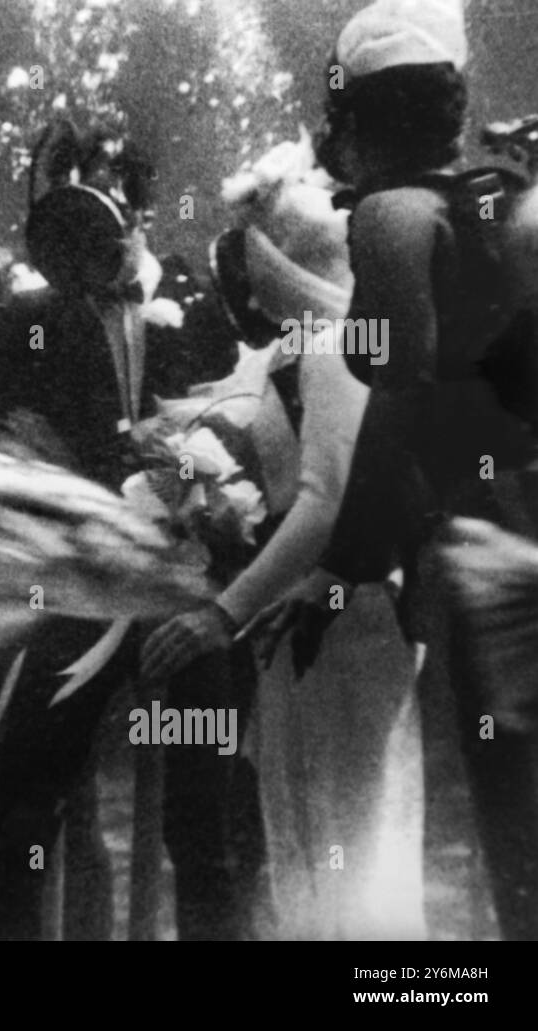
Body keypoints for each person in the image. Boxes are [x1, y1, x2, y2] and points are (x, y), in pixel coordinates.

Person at [0, 118, 265, 940]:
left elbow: (258, 425)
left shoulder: (200, 298)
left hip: (185, 597)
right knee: (27, 805)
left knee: (204, 820)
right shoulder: (22, 318)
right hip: (71, 596)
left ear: (142, 201)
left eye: (111, 192)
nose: (94, 216)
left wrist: (201, 477)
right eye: (68, 195)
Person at [139, 133, 426, 939]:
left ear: (269, 260)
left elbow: (324, 501)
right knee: (314, 832)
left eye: (246, 259)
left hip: (348, 624)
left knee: (350, 838)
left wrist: (218, 614)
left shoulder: (335, 347)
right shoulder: (308, 346)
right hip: (311, 630)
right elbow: (246, 407)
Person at [300, 0, 538, 941]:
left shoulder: (394, 215)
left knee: (514, 820)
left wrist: (343, 559)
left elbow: (397, 386)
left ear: (360, 124)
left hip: (493, 546)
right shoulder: (500, 192)